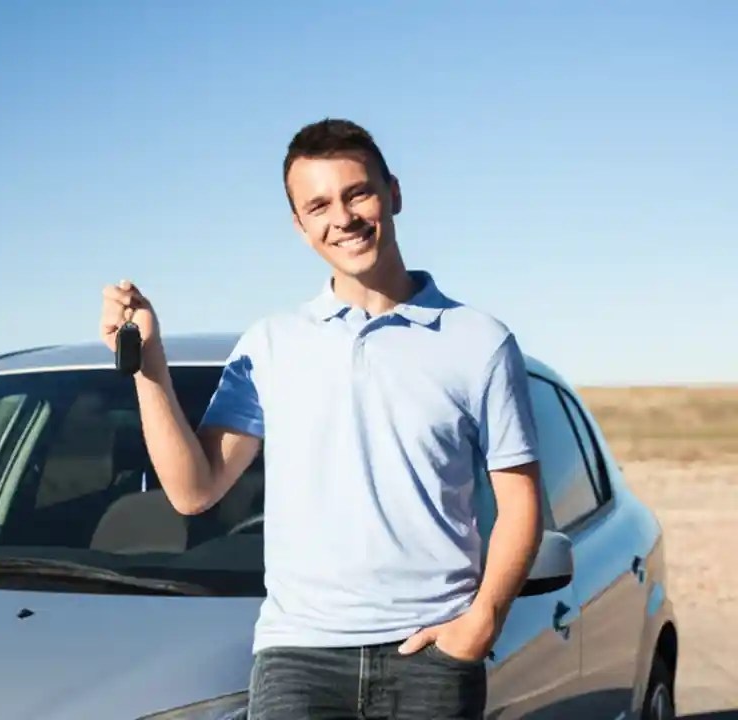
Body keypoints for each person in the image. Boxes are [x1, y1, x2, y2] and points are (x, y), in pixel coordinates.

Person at [98, 118, 543, 719]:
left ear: (393, 193)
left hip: (432, 657)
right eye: (319, 205)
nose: (344, 217)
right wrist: (148, 365)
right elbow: (193, 490)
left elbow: (520, 504)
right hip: (299, 658)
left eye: (357, 193)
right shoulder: (271, 343)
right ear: (300, 225)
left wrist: (482, 621)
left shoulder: (479, 341)